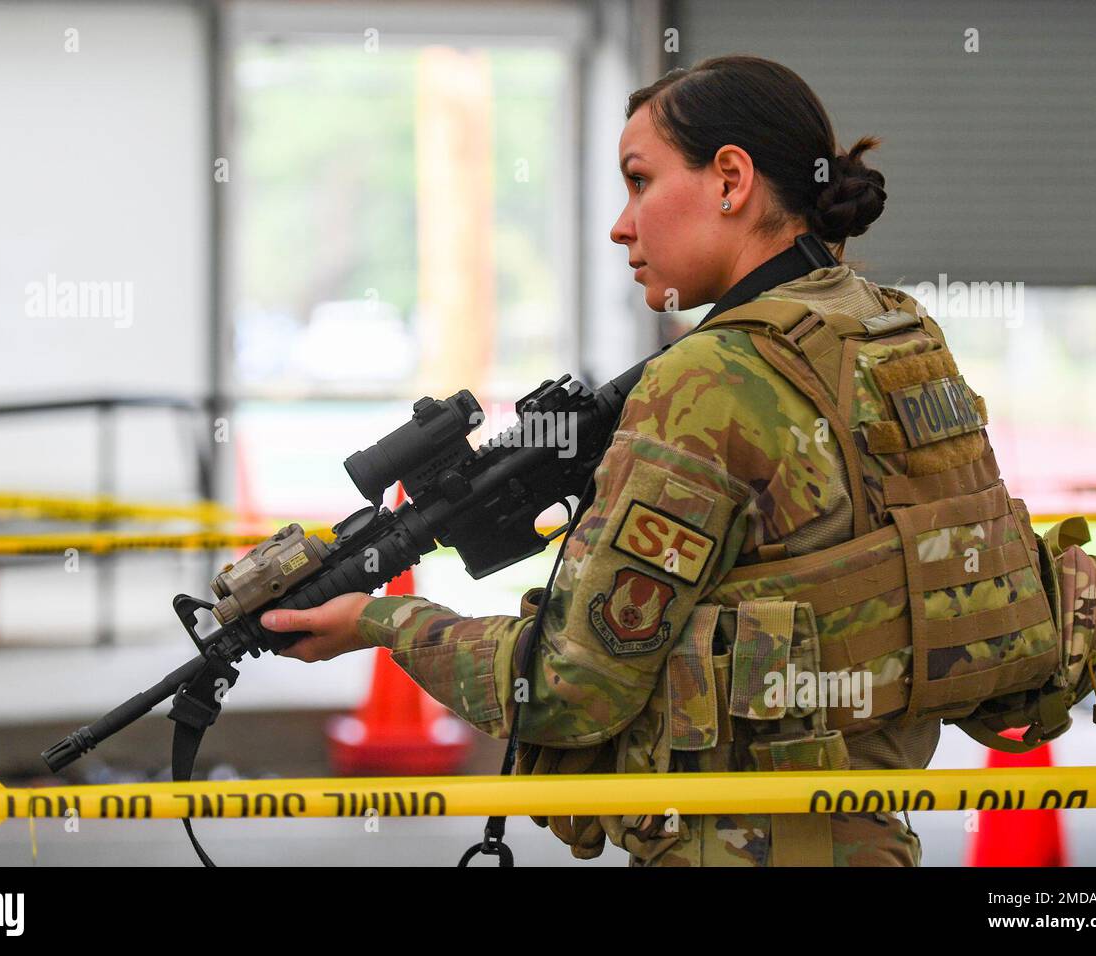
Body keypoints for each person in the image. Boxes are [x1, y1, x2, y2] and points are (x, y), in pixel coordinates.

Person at [258, 54, 1033, 867]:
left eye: (640, 181)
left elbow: (568, 689)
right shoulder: (891, 329)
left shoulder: (708, 379)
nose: (621, 225)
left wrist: (382, 622)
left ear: (730, 178)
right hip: (871, 833)